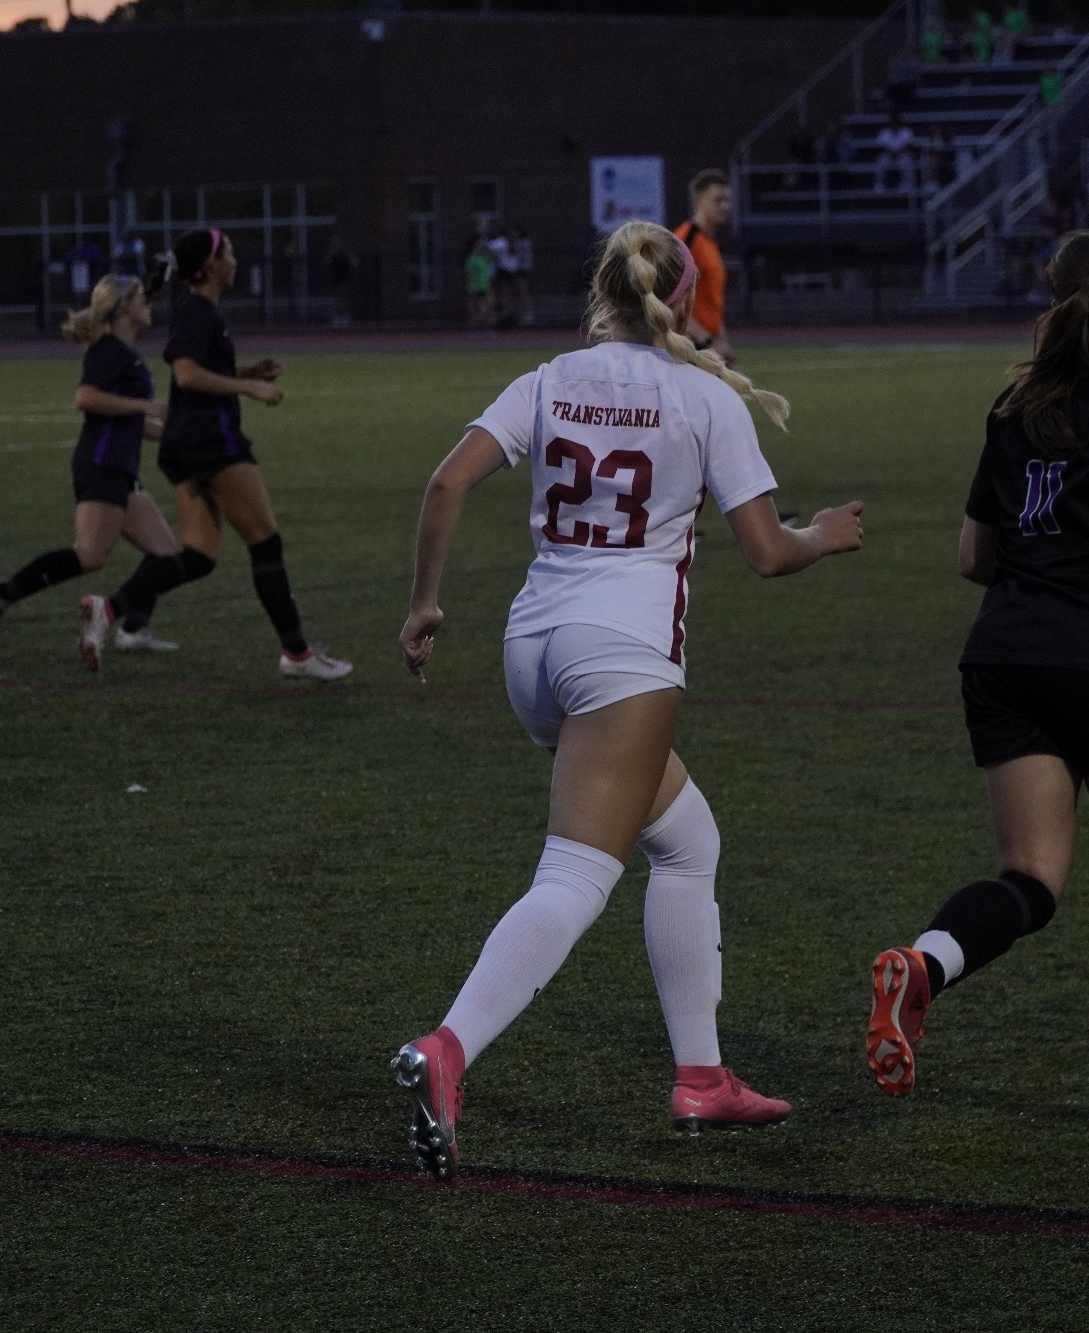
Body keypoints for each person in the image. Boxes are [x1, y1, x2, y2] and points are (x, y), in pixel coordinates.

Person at [390, 221, 865, 1182]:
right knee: (574, 876)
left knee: (688, 842)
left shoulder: (548, 377)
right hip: (623, 658)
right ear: (680, 300)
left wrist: (426, 602)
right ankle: (448, 1046)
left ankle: (703, 1076)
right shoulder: (702, 396)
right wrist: (824, 533)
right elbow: (769, 553)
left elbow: (447, 481)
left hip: (533, 650)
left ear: (599, 291)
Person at [863, 231, 1089, 1141]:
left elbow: (972, 557)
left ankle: (927, 962)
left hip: (1005, 654)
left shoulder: (1017, 402)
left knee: (1031, 876)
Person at [77, 229, 353, 681]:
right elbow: (186, 375)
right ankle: (298, 654)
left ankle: (107, 609)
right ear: (208, 267)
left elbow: (199, 368)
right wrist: (250, 387)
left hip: (186, 445)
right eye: (226, 252)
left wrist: (245, 370)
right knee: (266, 543)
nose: (235, 258)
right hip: (211, 443)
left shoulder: (198, 312)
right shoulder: (198, 311)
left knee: (200, 556)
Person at [0, 273, 181, 651]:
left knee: (165, 554)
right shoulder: (107, 350)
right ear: (122, 307)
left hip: (121, 465)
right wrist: (143, 406)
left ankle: (134, 629)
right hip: (102, 462)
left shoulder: (126, 354)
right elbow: (86, 398)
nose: (148, 304)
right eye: (141, 298)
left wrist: (171, 431)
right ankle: (2, 591)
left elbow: (133, 423)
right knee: (89, 555)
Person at [675, 169, 735, 362]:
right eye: (718, 200)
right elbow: (667, 299)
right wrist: (707, 342)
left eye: (727, 200)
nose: (725, 206)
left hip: (706, 349)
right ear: (698, 202)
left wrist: (721, 340)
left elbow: (712, 301)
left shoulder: (710, 243)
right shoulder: (685, 241)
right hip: (686, 351)